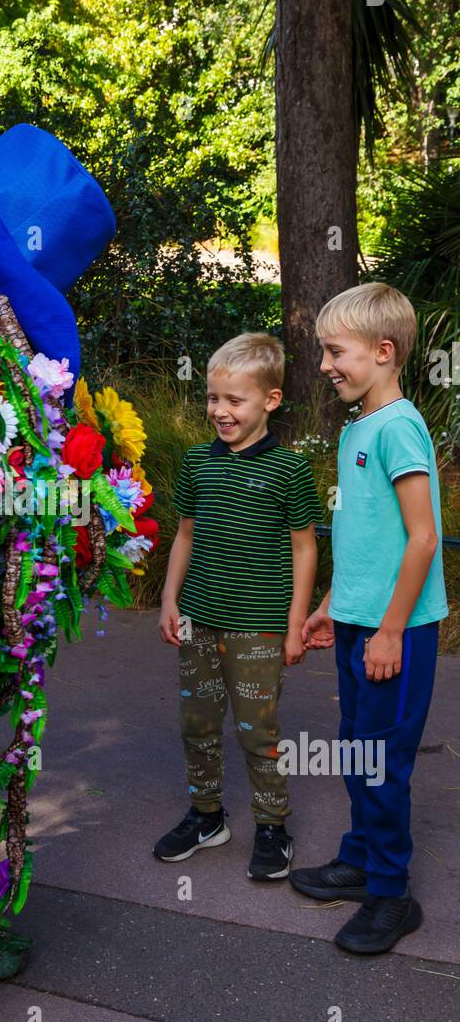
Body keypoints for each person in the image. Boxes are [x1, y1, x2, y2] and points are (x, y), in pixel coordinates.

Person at [290, 283, 448, 955]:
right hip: (360, 621)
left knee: (381, 762)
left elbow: (422, 538)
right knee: (357, 751)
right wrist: (331, 605)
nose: (325, 364)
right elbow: (359, 535)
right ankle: (359, 858)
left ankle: (390, 892)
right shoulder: (359, 426)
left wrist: (387, 629)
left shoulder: (399, 426)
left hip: (397, 629)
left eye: (335, 351)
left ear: (383, 352)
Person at [154, 332, 322, 880]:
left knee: (257, 732)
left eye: (234, 400)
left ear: (270, 401)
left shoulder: (289, 470)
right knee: (196, 725)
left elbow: (305, 546)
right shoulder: (197, 462)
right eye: (213, 399)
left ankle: (272, 826)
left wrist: (296, 623)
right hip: (199, 618)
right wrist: (169, 599)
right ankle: (208, 818)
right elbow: (184, 536)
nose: (220, 411)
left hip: (260, 625)